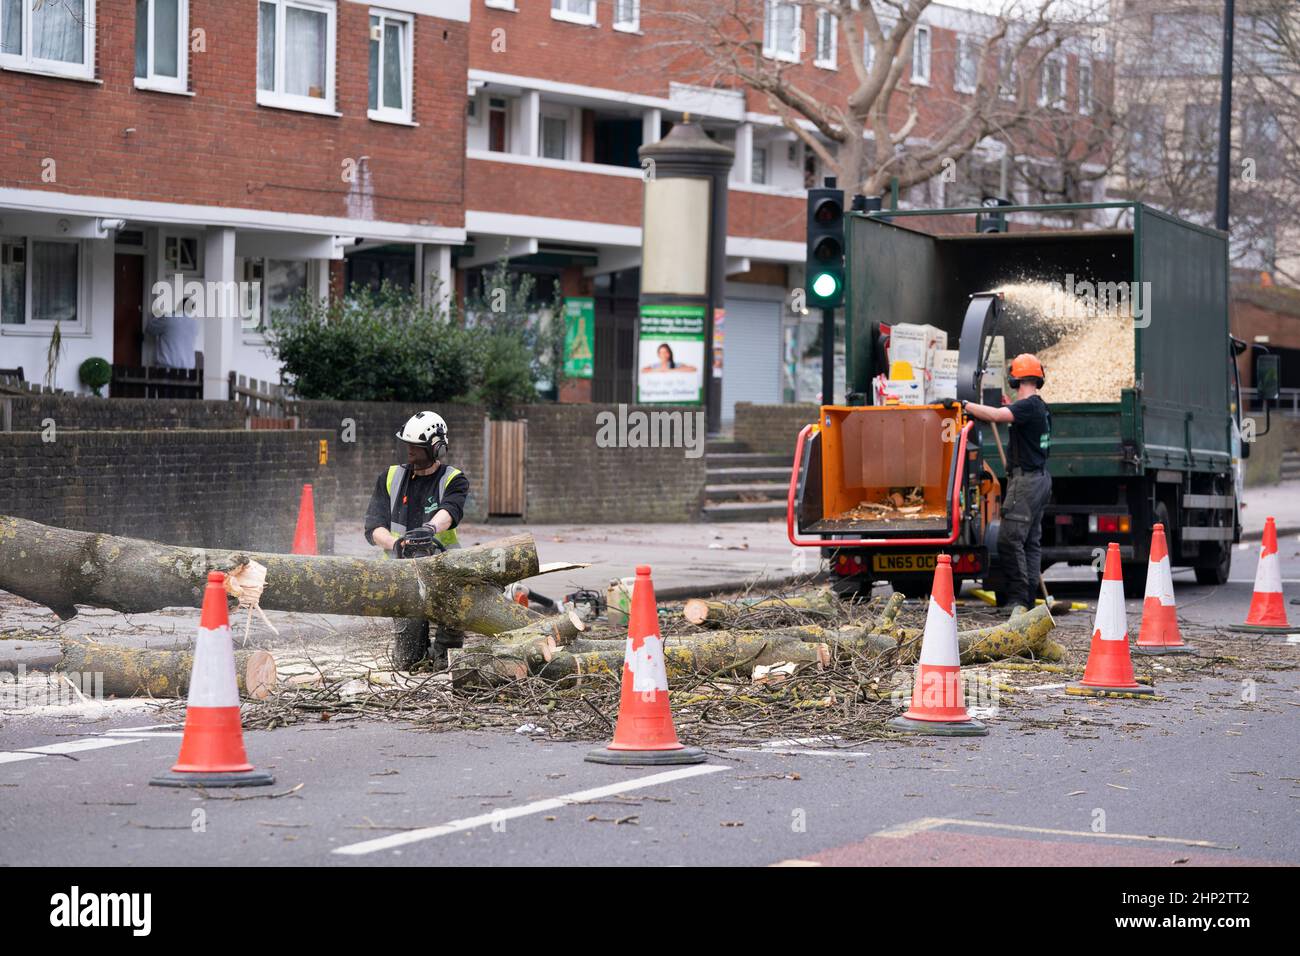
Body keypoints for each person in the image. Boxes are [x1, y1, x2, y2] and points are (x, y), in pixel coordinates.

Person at [364, 411, 471, 667]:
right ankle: (419, 659)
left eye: (417, 447)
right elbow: (373, 526)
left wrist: (430, 529)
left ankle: (444, 657)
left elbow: (451, 510)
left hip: (445, 568)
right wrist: (396, 544)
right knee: (409, 661)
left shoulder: (453, 479)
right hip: (403, 571)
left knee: (447, 651)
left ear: (436, 449)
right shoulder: (389, 477)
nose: (410, 451)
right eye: (408, 445)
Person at [961, 354, 1052, 615]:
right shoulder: (1041, 407)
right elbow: (1009, 414)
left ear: (1015, 379)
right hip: (1040, 479)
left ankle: (1018, 600)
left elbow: (999, 416)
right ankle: (1029, 598)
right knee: (1030, 541)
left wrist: (966, 405)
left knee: (1009, 539)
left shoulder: (1028, 407)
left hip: (1026, 483)